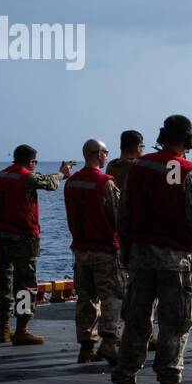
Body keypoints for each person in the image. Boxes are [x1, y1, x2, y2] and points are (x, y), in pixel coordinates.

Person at [108, 115, 192, 384]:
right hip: (174, 262)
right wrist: (189, 247)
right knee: (175, 325)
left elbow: (122, 215)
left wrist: (127, 249)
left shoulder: (139, 168)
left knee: (136, 324)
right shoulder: (187, 172)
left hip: (139, 258)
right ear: (189, 139)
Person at [0, 145, 70, 345]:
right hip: (21, 237)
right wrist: (62, 173)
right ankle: (22, 328)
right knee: (25, 285)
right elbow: (50, 183)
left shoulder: (1, 175)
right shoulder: (27, 177)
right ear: (30, 162)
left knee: (3, 282)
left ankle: (3, 327)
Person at [65, 139, 123, 365]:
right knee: (112, 297)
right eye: (105, 152)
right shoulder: (105, 182)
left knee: (86, 299)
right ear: (98, 154)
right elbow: (117, 217)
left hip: (80, 249)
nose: (107, 156)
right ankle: (109, 342)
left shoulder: (71, 182)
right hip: (105, 249)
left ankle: (86, 347)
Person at [107, 129, 157, 350]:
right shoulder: (137, 167)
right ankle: (142, 334)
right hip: (139, 233)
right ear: (138, 146)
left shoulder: (112, 167)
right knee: (143, 290)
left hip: (119, 232)